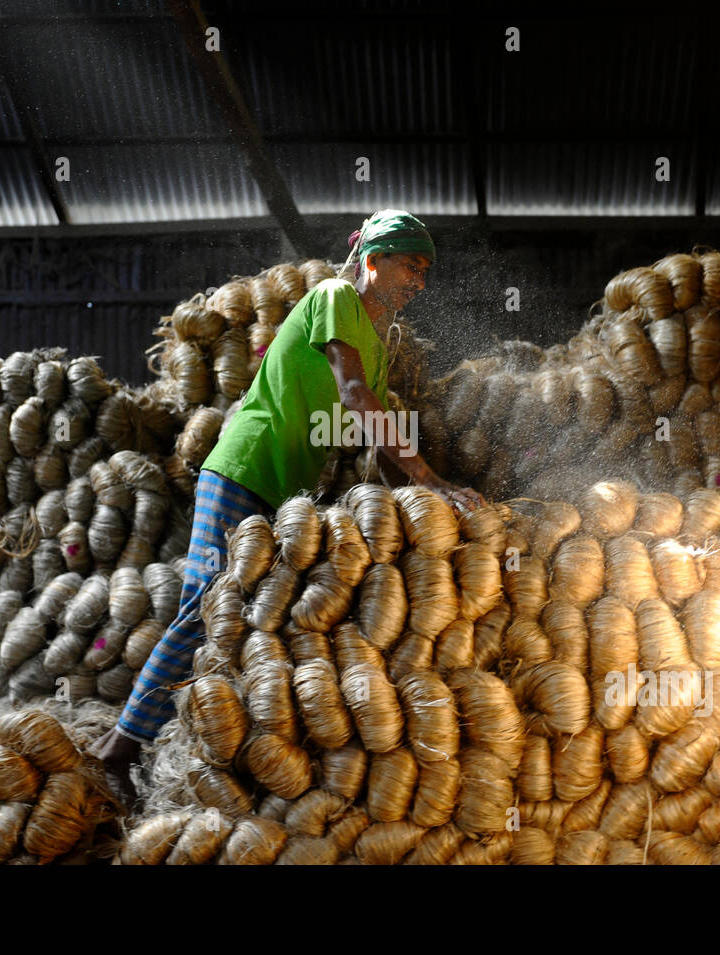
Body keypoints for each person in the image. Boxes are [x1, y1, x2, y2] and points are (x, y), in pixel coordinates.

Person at [91, 209, 485, 792]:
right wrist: (430, 480)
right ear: (372, 260)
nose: (418, 282)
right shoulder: (334, 297)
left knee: (238, 621)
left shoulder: (375, 343)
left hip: (281, 490)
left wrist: (403, 516)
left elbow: (368, 434)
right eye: (410, 265)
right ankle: (121, 749)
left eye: (425, 270)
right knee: (203, 610)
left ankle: (131, 739)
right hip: (243, 469)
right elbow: (354, 397)